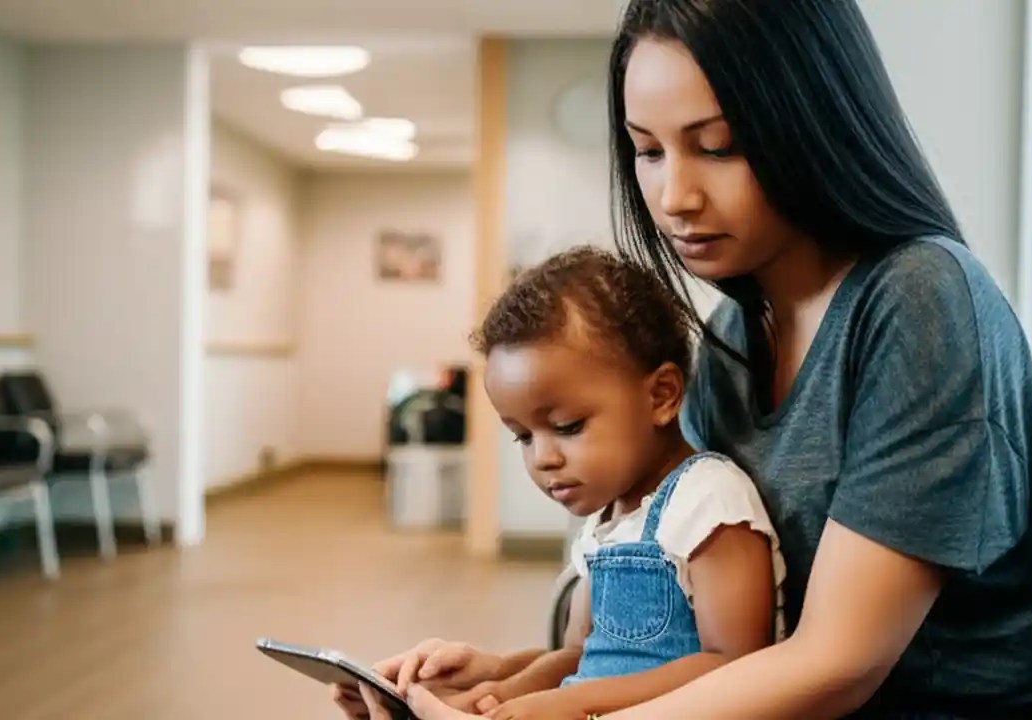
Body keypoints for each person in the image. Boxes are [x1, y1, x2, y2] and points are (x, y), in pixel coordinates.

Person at [383, 0, 1032, 717]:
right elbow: (682, 615)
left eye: (719, 145)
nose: (675, 197)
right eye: (648, 151)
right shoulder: (733, 332)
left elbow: (836, 665)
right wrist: (507, 680)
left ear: (815, 123)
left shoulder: (922, 299)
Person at [337, 247, 786, 720]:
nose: (543, 459)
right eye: (523, 437)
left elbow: (734, 665)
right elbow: (579, 657)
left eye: (569, 426)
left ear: (661, 395)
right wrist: (491, 693)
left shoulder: (710, 501)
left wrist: (568, 703)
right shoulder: (604, 523)